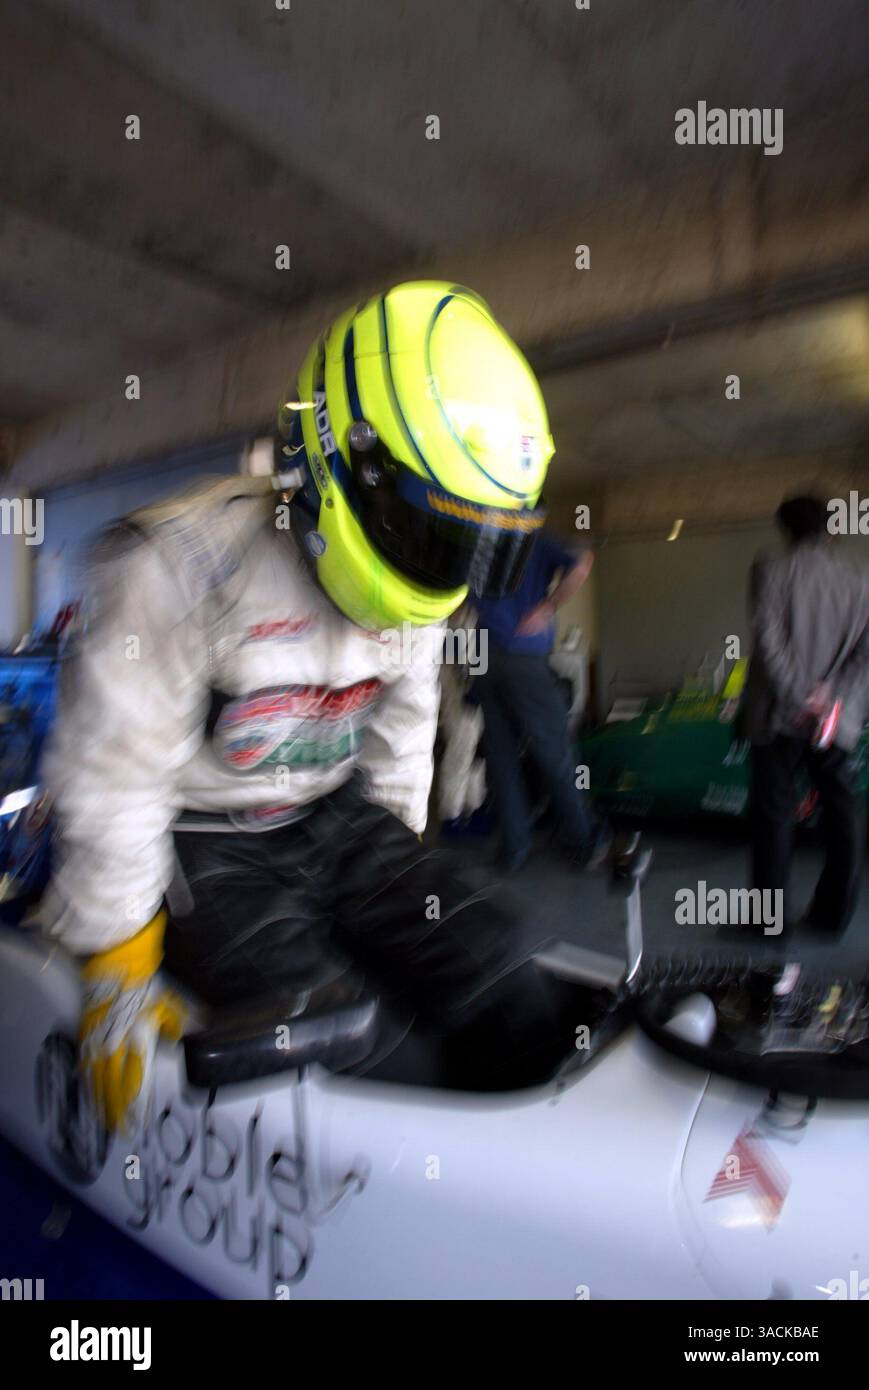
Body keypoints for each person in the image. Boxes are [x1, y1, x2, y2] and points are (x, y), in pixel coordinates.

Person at [38, 281, 577, 1130]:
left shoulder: (420, 597)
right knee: (356, 1047)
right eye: (438, 533)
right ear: (338, 460)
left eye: (472, 547)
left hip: (339, 819)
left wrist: (400, 885)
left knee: (509, 974)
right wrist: (118, 956)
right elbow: (117, 778)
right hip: (203, 843)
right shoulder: (178, 564)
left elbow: (404, 735)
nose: (448, 570)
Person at [741, 494, 869, 938]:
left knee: (774, 816)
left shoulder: (769, 568)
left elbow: (768, 644)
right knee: (842, 814)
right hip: (835, 720)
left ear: (784, 528)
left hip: (777, 716)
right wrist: (830, 699)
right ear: (830, 529)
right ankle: (832, 917)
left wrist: (800, 698)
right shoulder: (858, 579)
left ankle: (768, 923)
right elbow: (864, 655)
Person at [472, 531, 607, 874]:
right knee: (555, 753)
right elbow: (583, 562)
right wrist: (548, 607)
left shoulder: (477, 539)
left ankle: (514, 849)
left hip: (482, 657)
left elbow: (457, 599)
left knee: (501, 759)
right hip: (523, 657)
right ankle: (584, 841)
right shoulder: (531, 539)